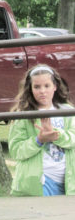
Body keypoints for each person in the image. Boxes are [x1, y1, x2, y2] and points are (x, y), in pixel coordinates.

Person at [8, 64, 75, 196]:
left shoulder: (67, 111)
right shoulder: (23, 115)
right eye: (37, 87)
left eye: (47, 86)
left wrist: (57, 136)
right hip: (41, 182)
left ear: (55, 86)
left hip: (69, 182)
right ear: (30, 89)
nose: (42, 91)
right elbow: (16, 150)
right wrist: (39, 140)